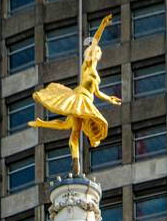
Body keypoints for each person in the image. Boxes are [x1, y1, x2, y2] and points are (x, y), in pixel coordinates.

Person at [29, 15, 122, 176]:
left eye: (98, 53)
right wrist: (102, 24)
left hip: (87, 101)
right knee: (74, 129)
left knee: (69, 126)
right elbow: (95, 41)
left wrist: (109, 99)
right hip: (80, 98)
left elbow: (97, 92)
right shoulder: (87, 65)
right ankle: (75, 162)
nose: (98, 54)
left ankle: (42, 123)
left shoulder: (96, 74)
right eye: (96, 52)